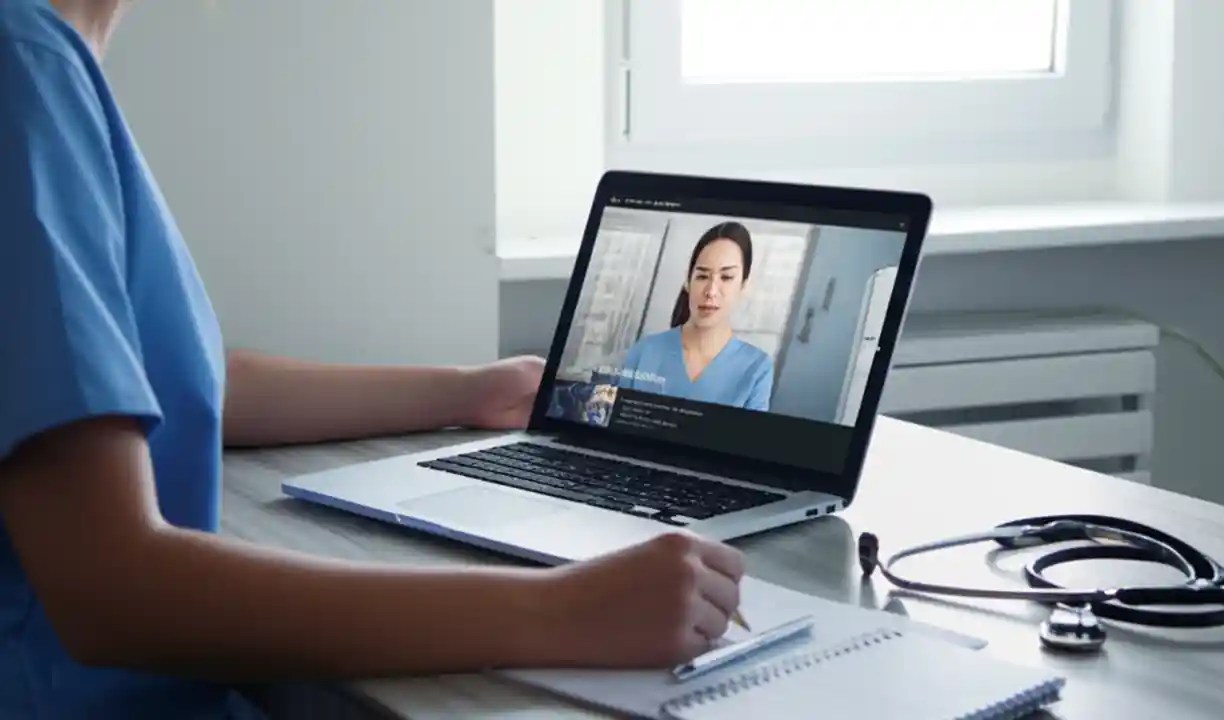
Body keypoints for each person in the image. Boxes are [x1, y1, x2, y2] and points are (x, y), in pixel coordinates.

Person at [0, 1, 745, 717]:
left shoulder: (47, 60)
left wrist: (468, 391)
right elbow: (112, 589)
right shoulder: (24, 64)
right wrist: (566, 608)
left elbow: (171, 384)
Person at [615, 222, 774, 411]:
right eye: (702, 276)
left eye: (726, 277)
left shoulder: (757, 368)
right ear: (687, 281)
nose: (711, 291)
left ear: (744, 286)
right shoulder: (644, 352)